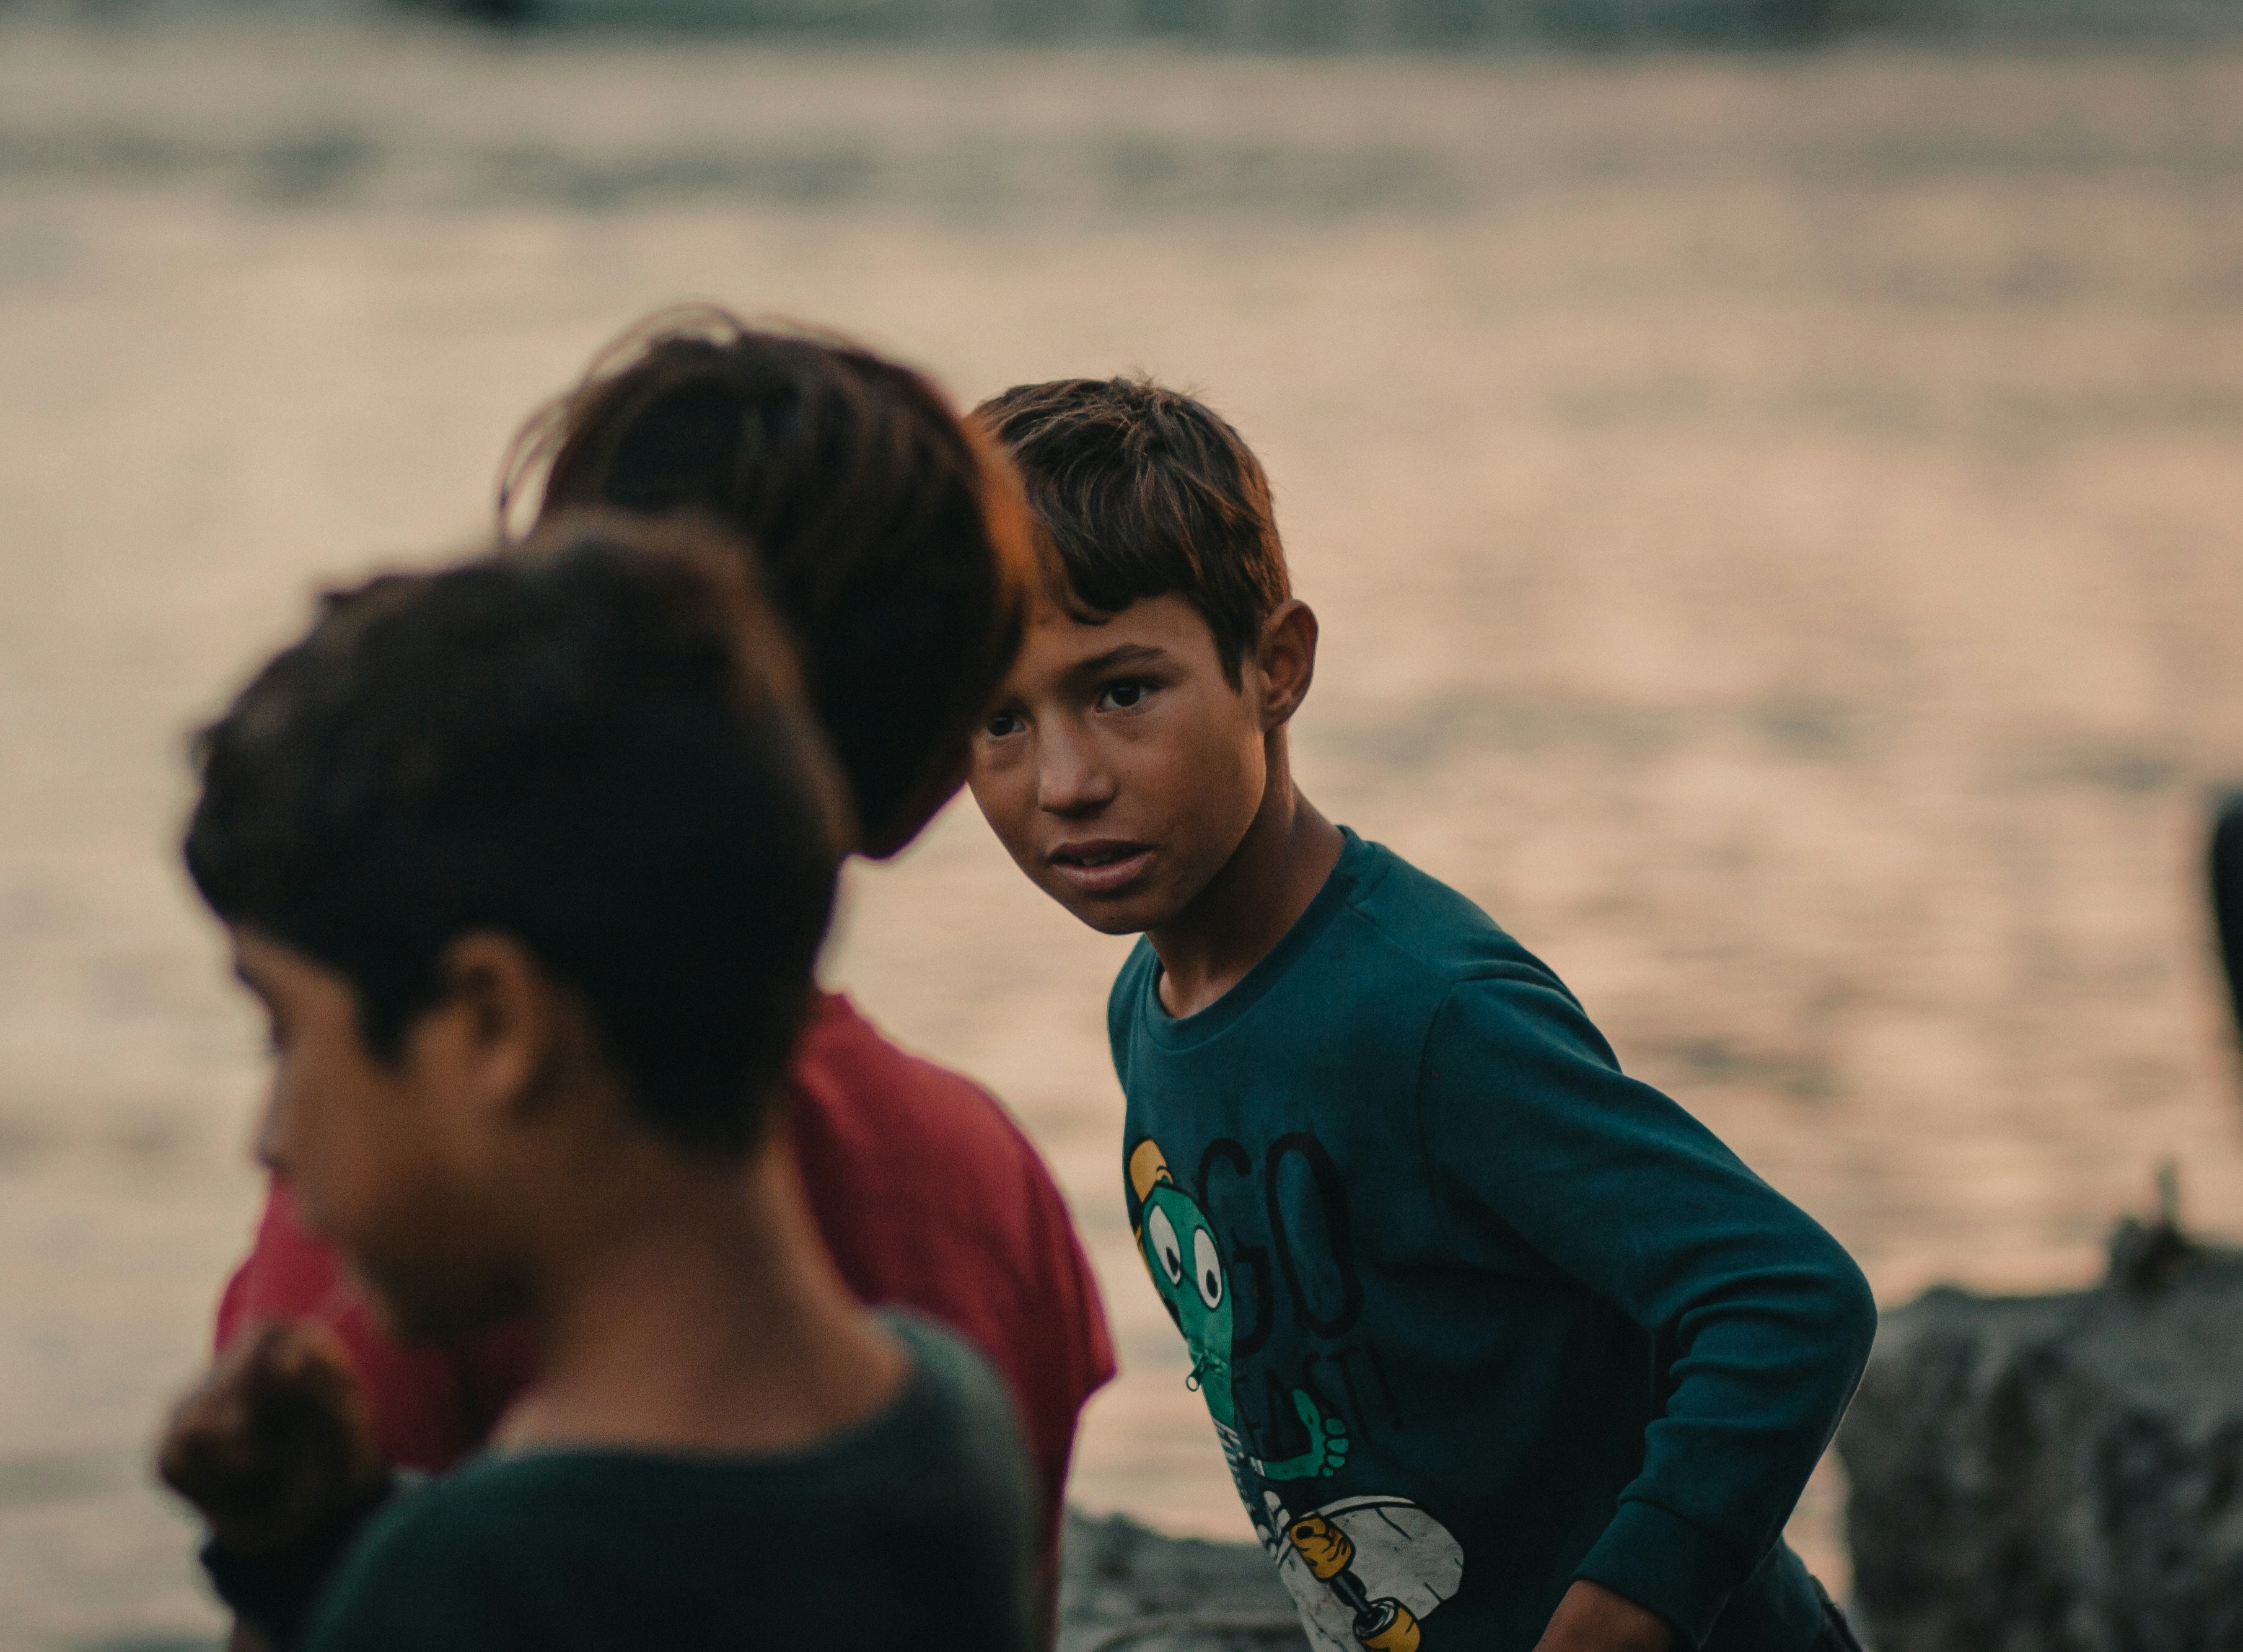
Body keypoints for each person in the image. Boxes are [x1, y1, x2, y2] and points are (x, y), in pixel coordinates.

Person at [208, 312, 1113, 1632]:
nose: (276, 1129)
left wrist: (300, 1575)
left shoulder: (406, 1195)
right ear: (928, 772)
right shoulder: (969, 1283)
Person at [963, 376, 1877, 1652]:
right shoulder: (1148, 1007)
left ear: (1275, 667)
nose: (1063, 779)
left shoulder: (1424, 1014)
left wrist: (1618, 1613)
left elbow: (1787, 1296)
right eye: (999, 718)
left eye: (1121, 691)